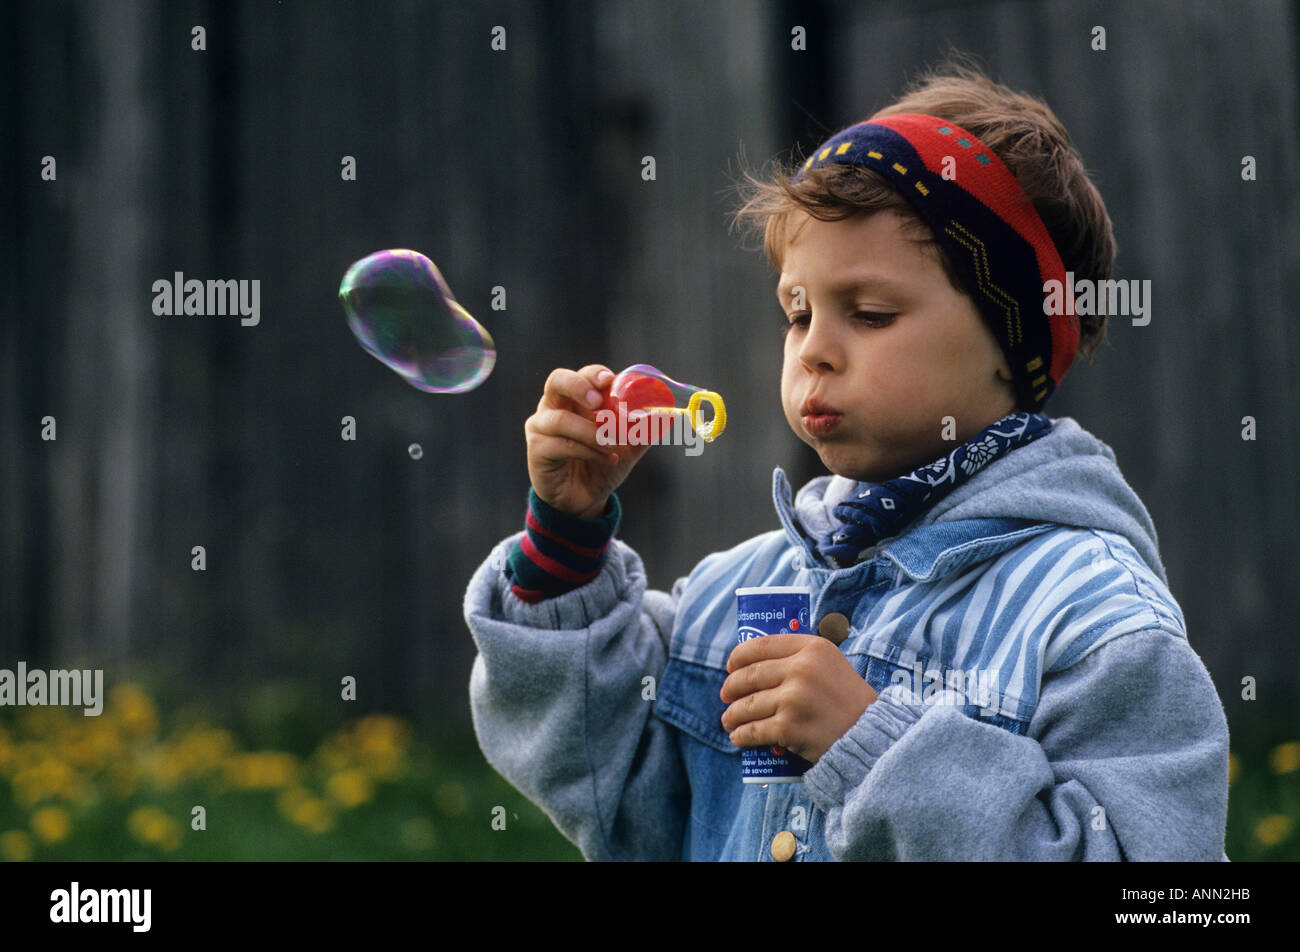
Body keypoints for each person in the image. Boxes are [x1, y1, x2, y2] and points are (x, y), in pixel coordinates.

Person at [462, 62, 1230, 861]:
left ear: (1013, 345)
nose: (815, 352)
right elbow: (610, 788)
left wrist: (874, 746)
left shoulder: (1091, 618)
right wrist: (566, 542)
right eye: (797, 314)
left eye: (868, 313)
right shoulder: (738, 593)